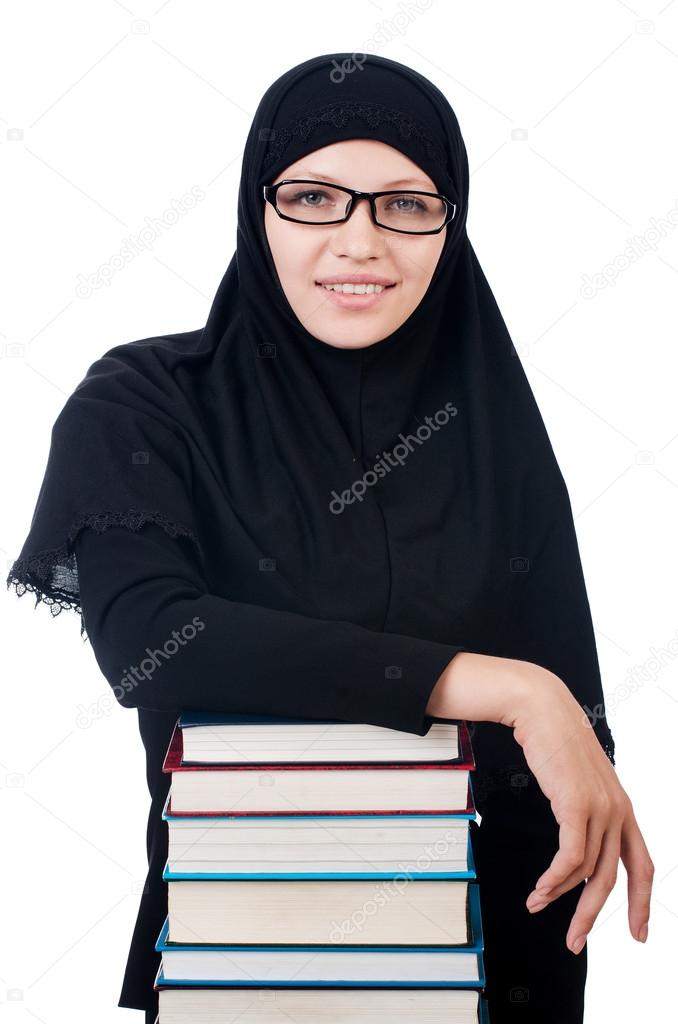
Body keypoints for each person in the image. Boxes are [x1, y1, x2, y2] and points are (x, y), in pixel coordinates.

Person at [6, 53, 653, 1023]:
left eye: (404, 204)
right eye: (313, 196)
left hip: (474, 986)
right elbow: (154, 640)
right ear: (256, 210)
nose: (360, 241)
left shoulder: (490, 439)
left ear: (451, 224)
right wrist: (502, 685)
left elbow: (549, 804)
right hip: (232, 973)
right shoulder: (145, 406)